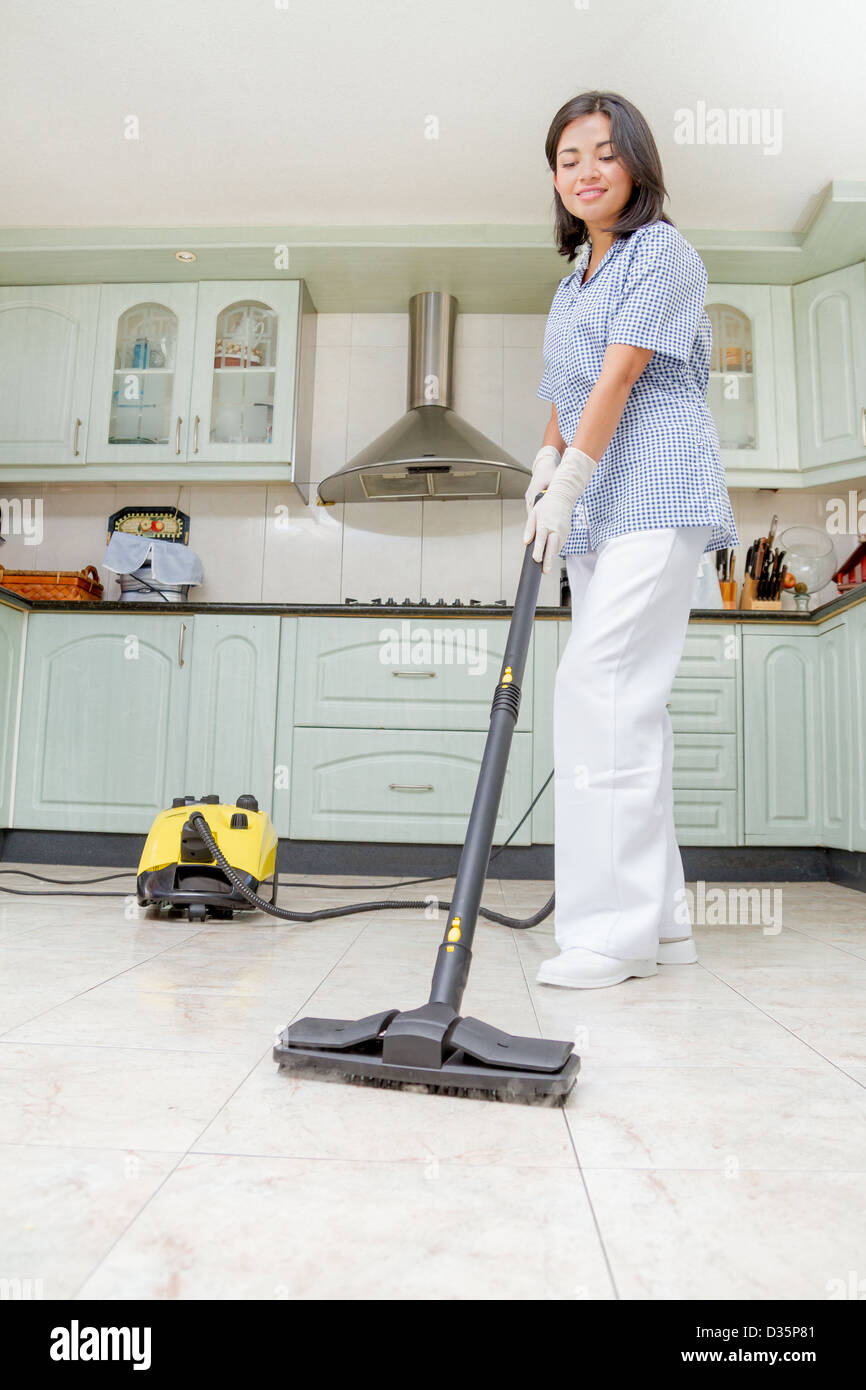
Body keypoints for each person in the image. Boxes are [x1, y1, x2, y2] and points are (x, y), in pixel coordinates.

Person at [523, 90, 739, 989]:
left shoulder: (662, 252)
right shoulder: (573, 280)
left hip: (655, 487)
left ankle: (609, 936)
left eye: (603, 154)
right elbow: (565, 389)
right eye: (568, 158)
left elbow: (618, 379)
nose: (585, 172)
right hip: (600, 505)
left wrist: (569, 475)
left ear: (638, 165)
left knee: (598, 689)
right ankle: (665, 926)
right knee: (629, 709)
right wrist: (544, 461)